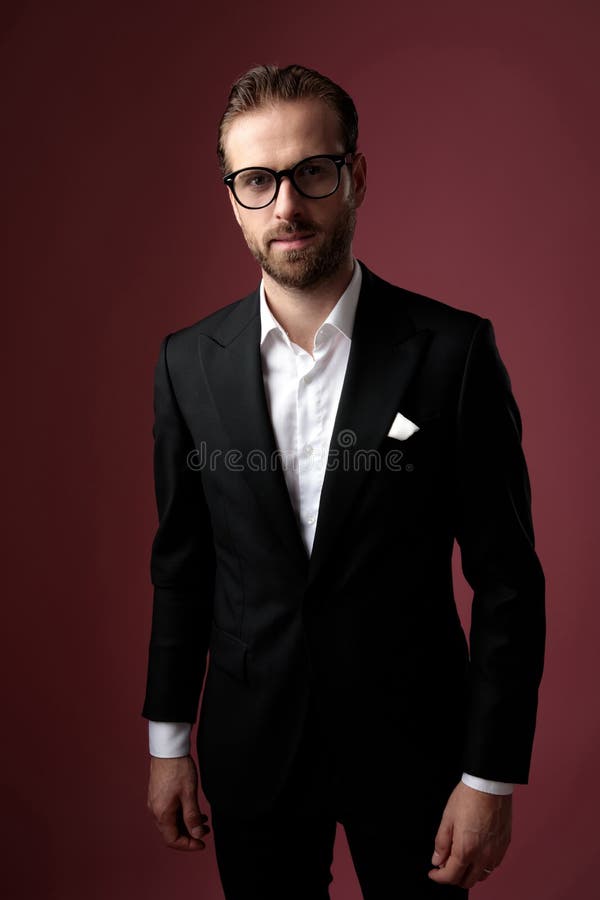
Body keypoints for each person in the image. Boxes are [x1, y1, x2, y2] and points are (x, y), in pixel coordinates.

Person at [142, 64, 546, 899]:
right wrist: (167, 743)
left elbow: (507, 581)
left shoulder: (453, 353)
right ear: (233, 198)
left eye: (311, 172)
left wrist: (491, 777)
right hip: (252, 751)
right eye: (258, 180)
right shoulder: (187, 363)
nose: (286, 205)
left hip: (419, 755)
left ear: (354, 176)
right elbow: (183, 565)